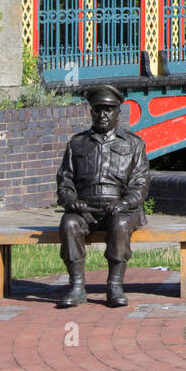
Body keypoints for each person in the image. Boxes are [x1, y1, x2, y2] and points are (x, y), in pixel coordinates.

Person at [56, 84, 149, 308]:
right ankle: (77, 287)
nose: (102, 114)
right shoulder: (77, 144)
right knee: (68, 223)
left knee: (120, 223)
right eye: (97, 109)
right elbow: (64, 180)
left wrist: (124, 203)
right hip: (85, 210)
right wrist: (70, 201)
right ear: (91, 112)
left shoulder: (133, 144)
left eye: (108, 109)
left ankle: (115, 286)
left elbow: (140, 184)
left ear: (118, 112)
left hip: (120, 208)